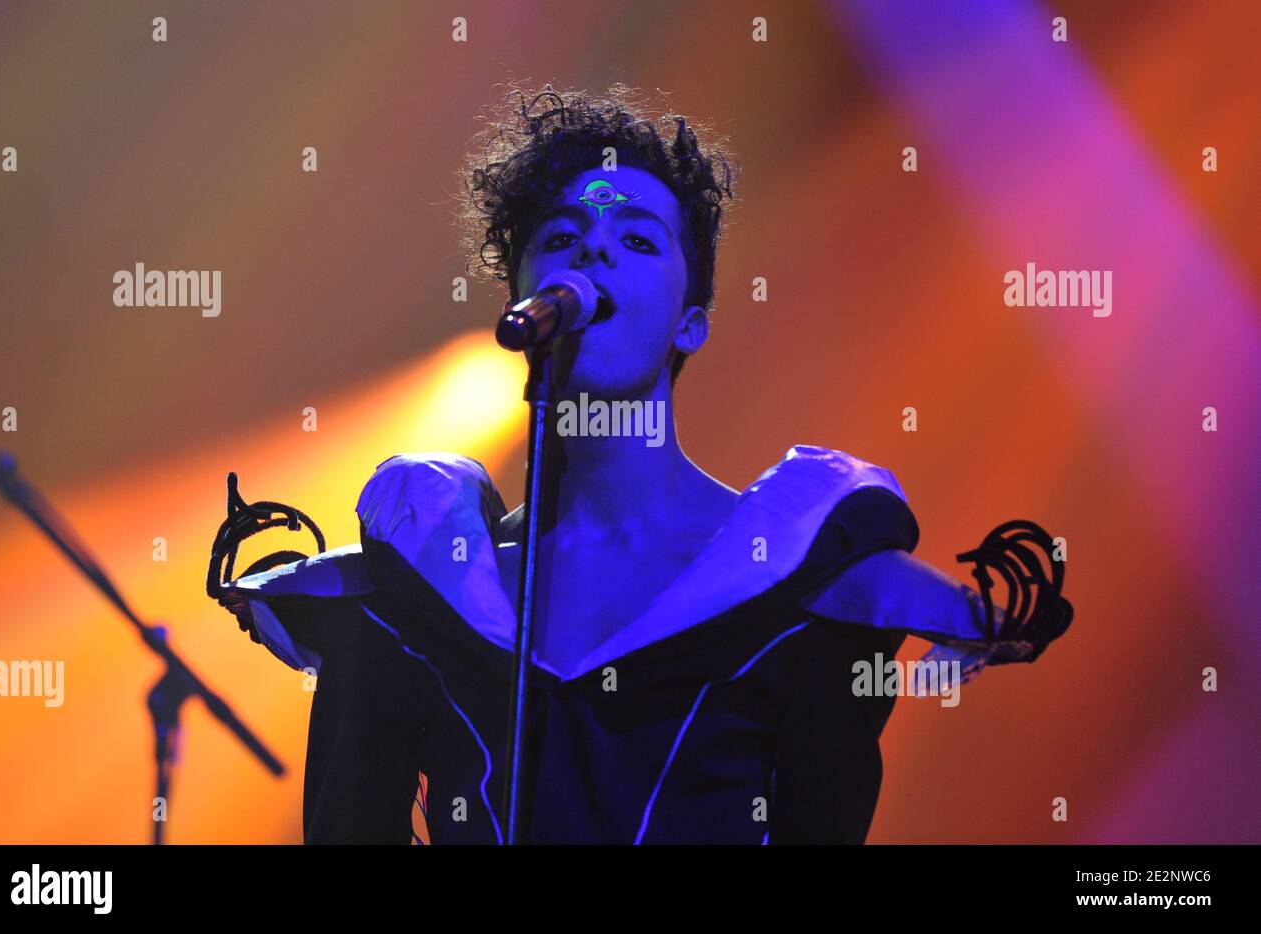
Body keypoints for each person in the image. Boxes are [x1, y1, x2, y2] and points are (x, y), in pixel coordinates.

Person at [209, 84, 1072, 844]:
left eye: (639, 240)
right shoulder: (417, 584)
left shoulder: (797, 580)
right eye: (562, 236)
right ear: (521, 297)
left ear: (689, 322)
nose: (594, 254)